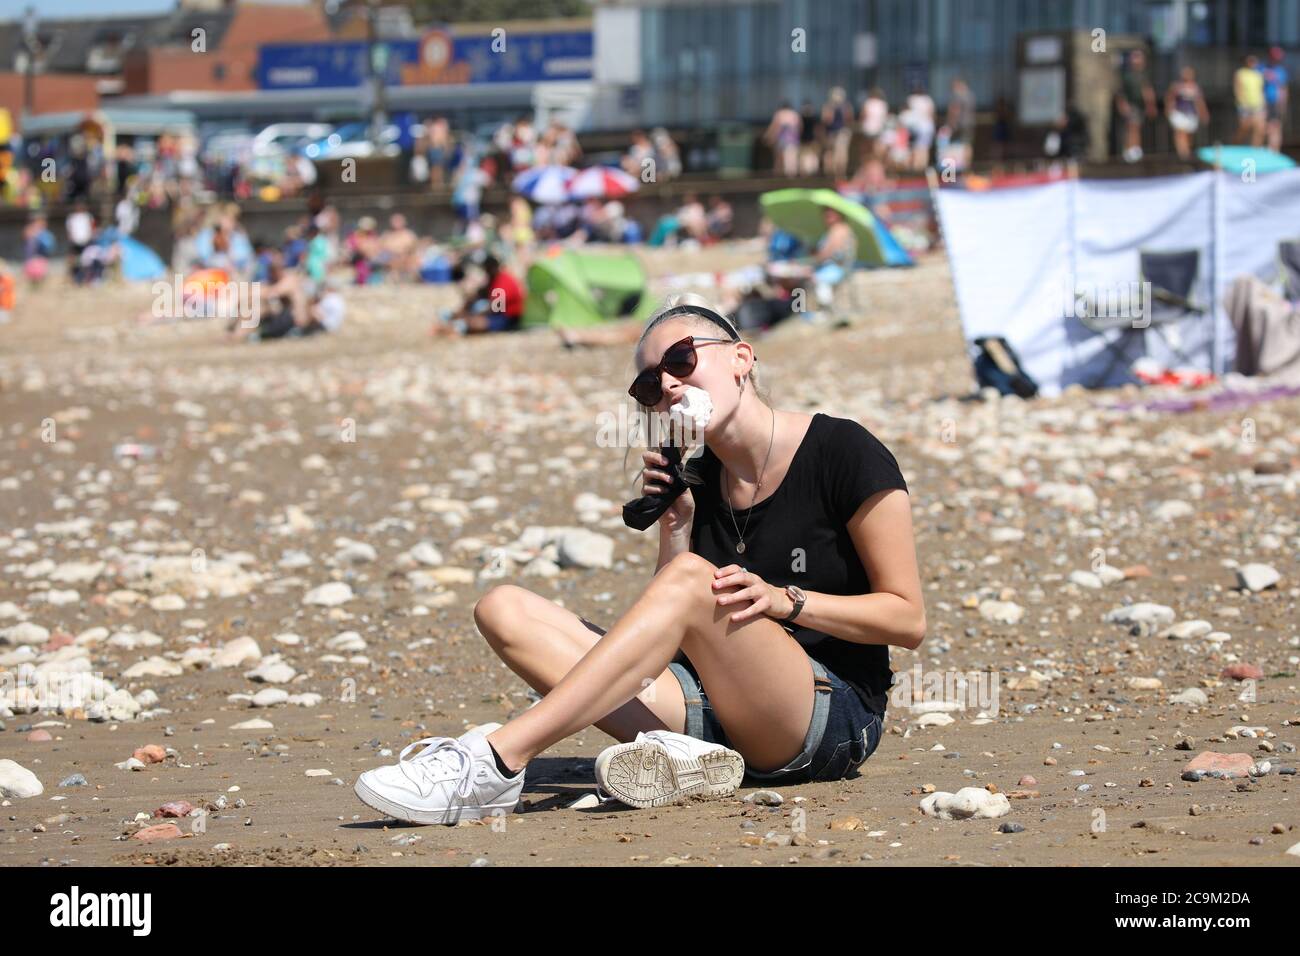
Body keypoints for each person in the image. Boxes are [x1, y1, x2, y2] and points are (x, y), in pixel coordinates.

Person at [353, 299, 925, 821]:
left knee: (692, 582)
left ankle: (497, 762)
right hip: (715, 709)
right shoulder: (700, 481)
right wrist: (676, 524)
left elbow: (908, 620)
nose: (669, 385)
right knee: (503, 608)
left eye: (681, 360)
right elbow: (673, 644)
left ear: (740, 359)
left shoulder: (843, 450)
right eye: (649, 384)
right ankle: (691, 762)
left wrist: (788, 601)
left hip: (826, 715)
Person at [430, 254, 524, 336]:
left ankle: (453, 327)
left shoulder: (503, 281)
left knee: (475, 320)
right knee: (473, 309)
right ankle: (452, 323)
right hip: (501, 314)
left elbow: (496, 308)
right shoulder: (495, 279)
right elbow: (482, 295)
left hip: (509, 319)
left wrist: (473, 315)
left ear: (491, 268)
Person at [1117, 49, 1156, 162]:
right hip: (1131, 104)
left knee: (1136, 127)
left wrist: (1150, 105)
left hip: (1140, 105)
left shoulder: (1145, 75)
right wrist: (1123, 104)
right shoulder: (1127, 75)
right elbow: (1121, 92)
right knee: (1132, 126)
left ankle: (1134, 149)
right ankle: (1132, 150)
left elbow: (1148, 91)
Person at [1165, 66, 1210, 160]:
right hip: (1179, 112)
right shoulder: (1176, 86)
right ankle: (1183, 155)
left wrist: (1204, 113)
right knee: (1180, 133)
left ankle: (1187, 152)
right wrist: (1169, 110)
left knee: (1188, 135)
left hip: (1191, 114)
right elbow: (1170, 98)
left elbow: (1200, 102)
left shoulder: (1195, 87)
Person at [1261, 46, 1290, 153]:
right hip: (1262, 102)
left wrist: (1283, 104)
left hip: (1275, 103)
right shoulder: (1261, 68)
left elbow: (1283, 89)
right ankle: (1264, 150)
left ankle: (1274, 151)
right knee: (1262, 127)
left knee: (1276, 127)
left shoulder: (1281, 71)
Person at [821, 87, 855, 179]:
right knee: (832, 155)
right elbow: (827, 120)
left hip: (839, 133)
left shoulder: (844, 106)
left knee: (839, 155)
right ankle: (834, 176)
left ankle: (838, 176)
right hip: (834, 134)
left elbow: (826, 120)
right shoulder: (831, 106)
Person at [945, 78, 977, 171]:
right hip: (969, 123)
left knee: (954, 146)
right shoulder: (971, 95)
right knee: (967, 145)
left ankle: (955, 170)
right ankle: (967, 166)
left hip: (958, 125)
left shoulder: (957, 95)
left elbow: (954, 110)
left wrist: (950, 124)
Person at [1234, 54, 1266, 147]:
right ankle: (1236, 145)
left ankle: (1255, 149)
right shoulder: (1240, 73)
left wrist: (1264, 103)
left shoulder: (1258, 74)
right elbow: (1237, 89)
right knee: (1244, 128)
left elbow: (1261, 90)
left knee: (1260, 128)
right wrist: (1241, 102)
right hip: (1245, 105)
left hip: (1258, 104)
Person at [764, 102, 802, 177]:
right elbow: (800, 127)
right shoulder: (795, 114)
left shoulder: (780, 114)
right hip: (793, 140)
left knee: (779, 160)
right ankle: (791, 178)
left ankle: (779, 178)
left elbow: (775, 127)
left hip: (782, 140)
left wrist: (769, 137)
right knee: (791, 161)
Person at [860, 88, 889, 160]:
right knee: (877, 147)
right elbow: (885, 117)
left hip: (868, 129)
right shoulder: (883, 104)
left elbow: (863, 115)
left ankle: (867, 161)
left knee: (867, 148)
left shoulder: (868, 102)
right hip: (879, 128)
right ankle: (876, 161)